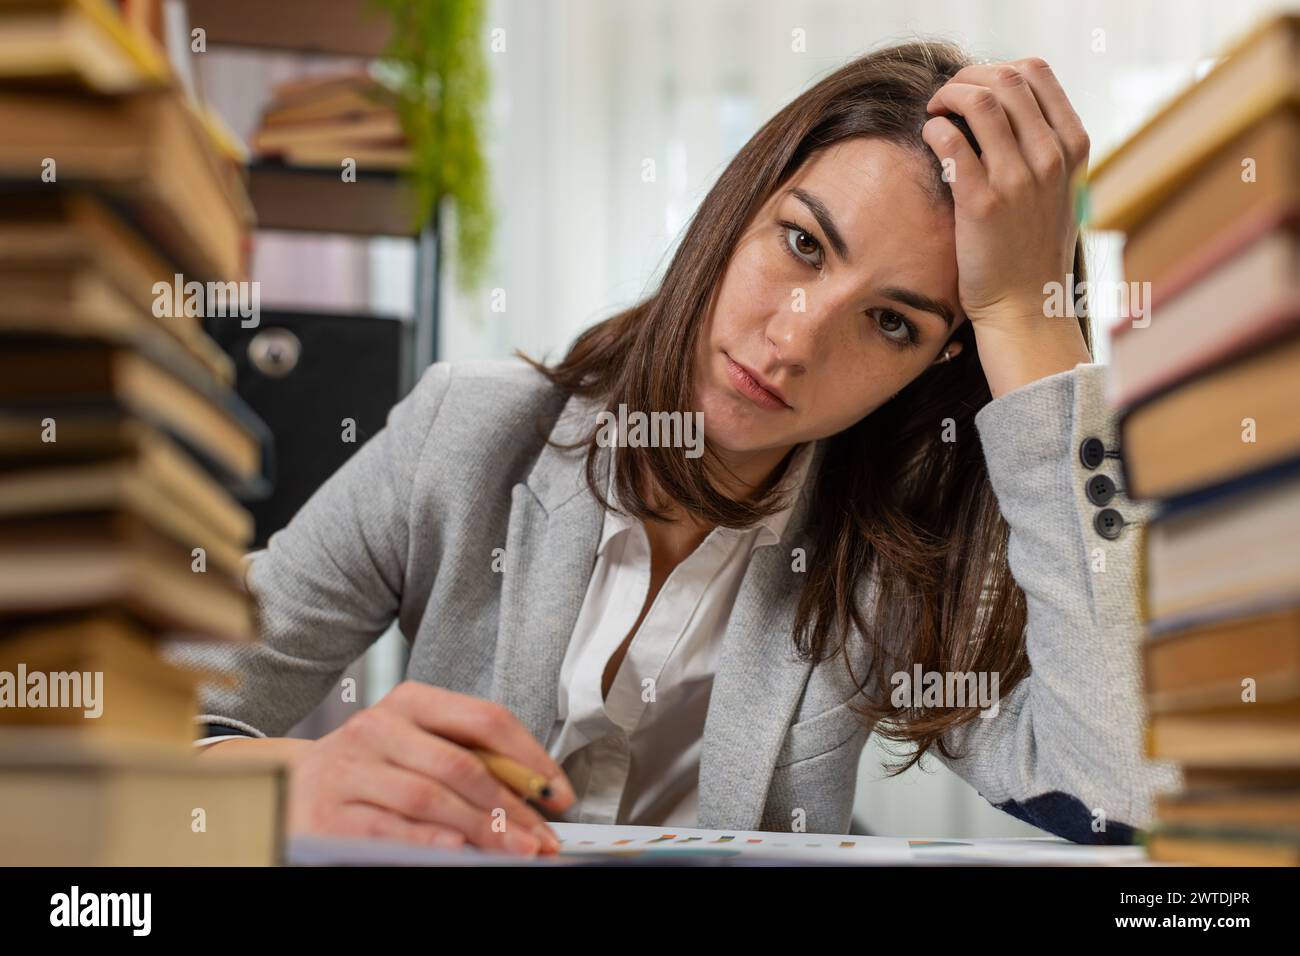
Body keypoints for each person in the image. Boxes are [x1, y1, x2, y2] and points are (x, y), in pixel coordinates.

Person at [184, 39, 1180, 856]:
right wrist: (286, 777)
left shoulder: (894, 553)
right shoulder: (469, 433)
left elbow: (1121, 789)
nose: (792, 341)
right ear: (734, 207)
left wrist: (1026, 321)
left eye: (889, 324)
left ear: (932, 369)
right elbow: (148, 714)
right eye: (801, 244)